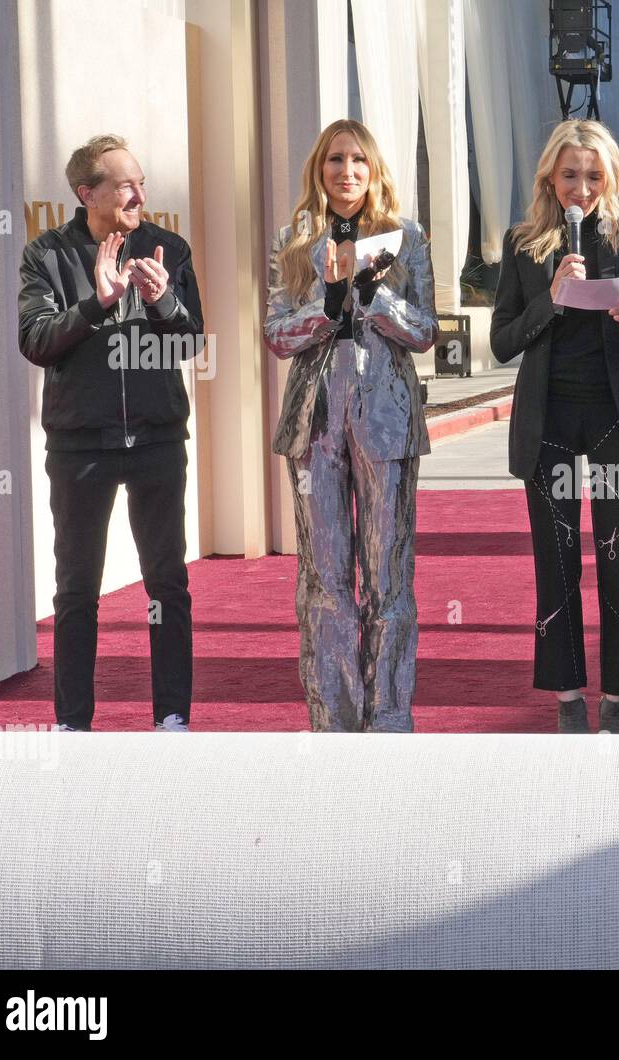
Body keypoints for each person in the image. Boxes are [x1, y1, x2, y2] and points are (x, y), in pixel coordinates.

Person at [490, 120, 619, 734]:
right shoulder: (522, 245)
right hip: (551, 419)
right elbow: (501, 343)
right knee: (557, 557)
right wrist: (552, 299)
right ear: (550, 177)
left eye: (595, 176)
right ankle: (567, 695)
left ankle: (617, 699)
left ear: (612, 178)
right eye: (571, 175)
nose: (582, 188)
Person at [18, 134, 202, 732]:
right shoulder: (45, 255)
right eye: (125, 185)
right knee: (76, 590)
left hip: (156, 442)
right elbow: (36, 342)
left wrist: (165, 302)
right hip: (80, 448)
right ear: (87, 193)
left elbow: (192, 344)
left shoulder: (168, 248)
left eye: (141, 183)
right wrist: (96, 304)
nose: (139, 196)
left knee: (166, 585)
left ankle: (172, 717)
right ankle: (73, 724)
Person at [263, 119, 438, 733]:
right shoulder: (292, 240)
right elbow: (276, 334)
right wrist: (330, 299)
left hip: (386, 424)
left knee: (389, 575)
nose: (346, 172)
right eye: (335, 160)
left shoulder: (406, 237)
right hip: (313, 427)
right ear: (320, 168)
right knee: (325, 578)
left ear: (373, 169)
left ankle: (389, 719)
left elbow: (425, 331)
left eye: (358, 160)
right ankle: (333, 721)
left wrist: (375, 297)